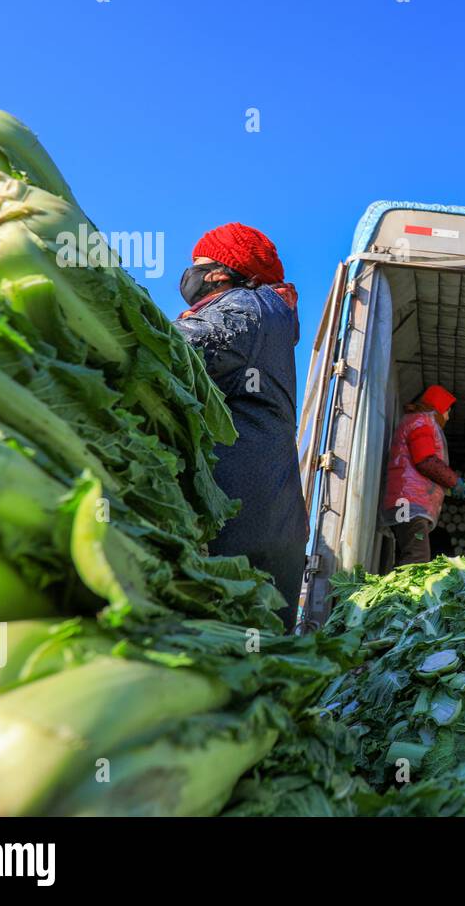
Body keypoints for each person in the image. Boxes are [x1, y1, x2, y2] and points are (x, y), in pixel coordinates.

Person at [173, 222, 308, 631]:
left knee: (222, 646)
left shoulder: (246, 308)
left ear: (217, 272)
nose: (189, 275)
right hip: (267, 515)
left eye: (196, 266)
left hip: (237, 517)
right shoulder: (268, 315)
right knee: (255, 656)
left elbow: (175, 349)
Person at [381, 385, 465, 565]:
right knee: (417, 558)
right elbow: (425, 460)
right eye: (447, 411)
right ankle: (407, 594)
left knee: (408, 553)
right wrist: (454, 482)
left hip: (404, 503)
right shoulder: (421, 423)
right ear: (438, 407)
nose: (448, 417)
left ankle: (400, 592)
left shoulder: (416, 421)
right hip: (408, 503)